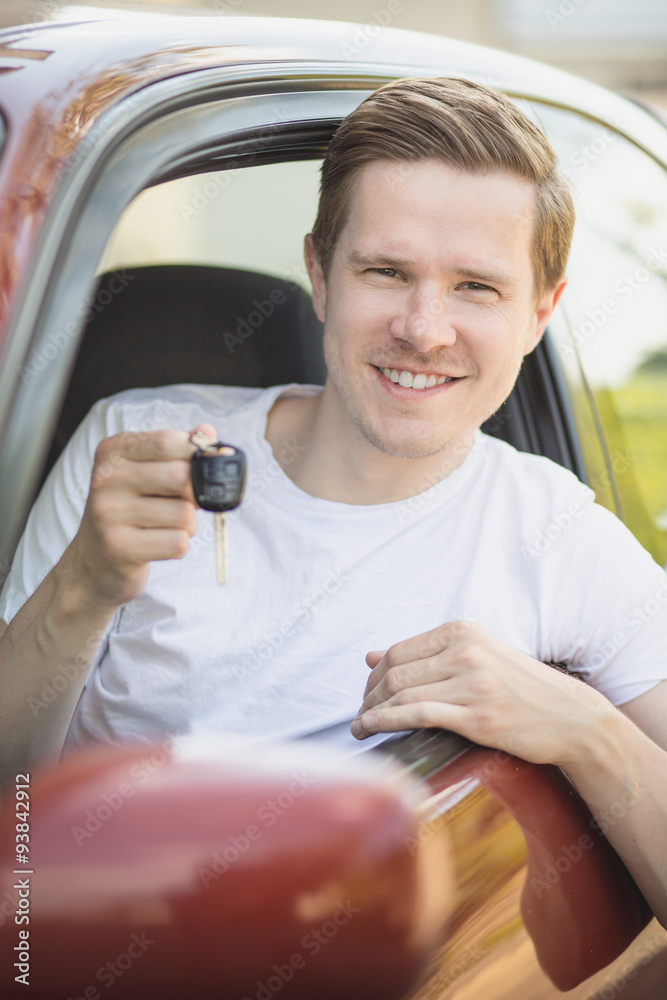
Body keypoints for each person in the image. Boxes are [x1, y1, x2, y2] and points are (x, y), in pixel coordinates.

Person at [0, 77, 666, 925]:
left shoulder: (559, 534)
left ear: (540, 314)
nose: (424, 329)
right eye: (386, 272)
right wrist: (81, 587)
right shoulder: (130, 444)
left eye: (475, 288)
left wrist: (584, 728)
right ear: (318, 272)